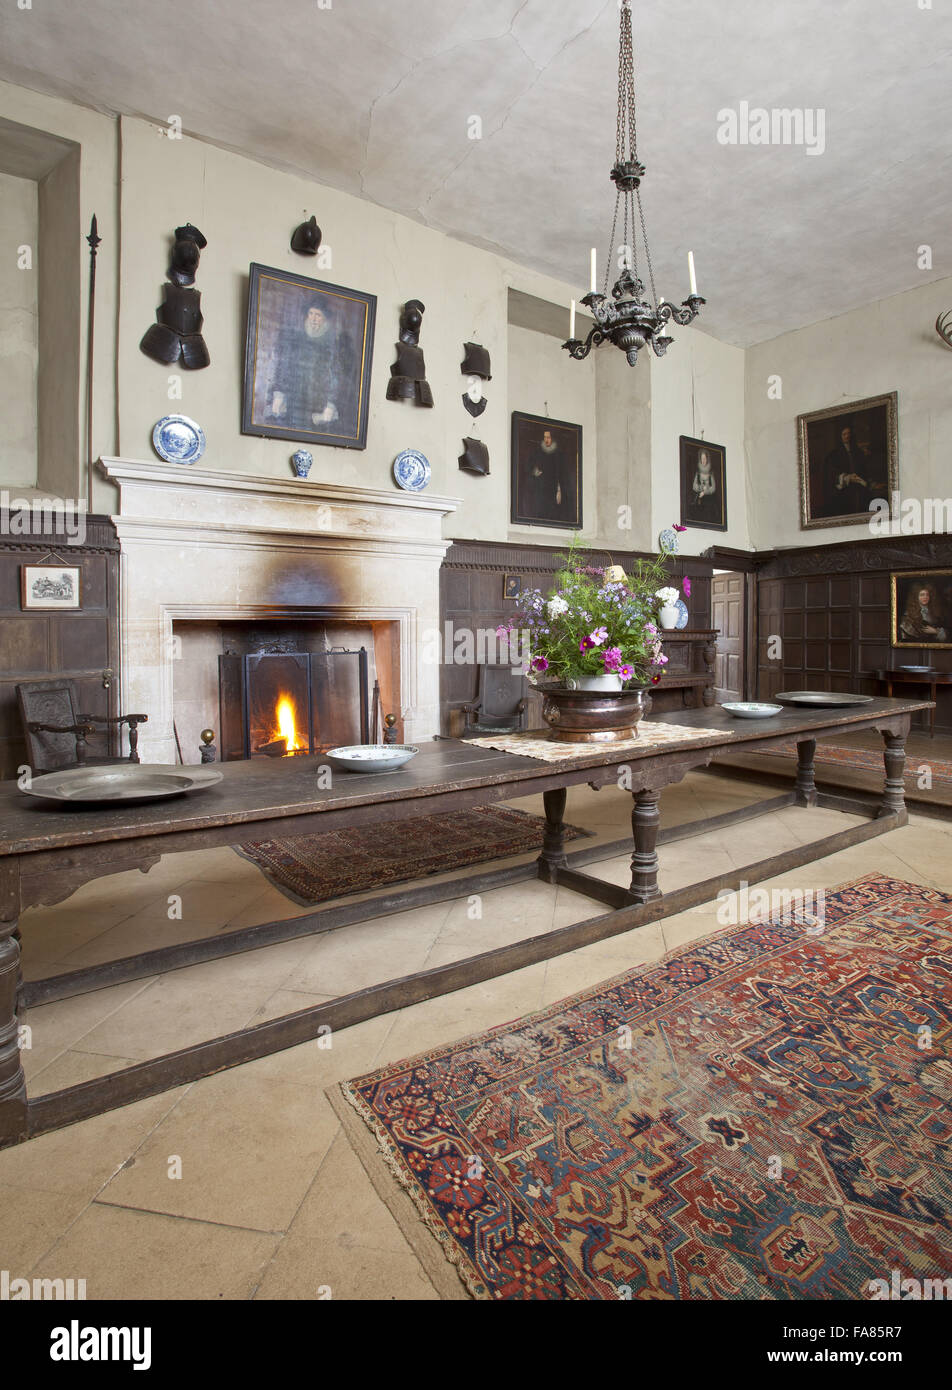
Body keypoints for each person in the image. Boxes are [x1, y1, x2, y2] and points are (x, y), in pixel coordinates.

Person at [265, 296, 357, 436]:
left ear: (324, 319)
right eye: (311, 314)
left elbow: (336, 375)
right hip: (293, 400)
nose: (314, 319)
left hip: (317, 404)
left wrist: (331, 405)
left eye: (318, 315)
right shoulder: (296, 339)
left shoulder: (332, 344)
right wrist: (279, 394)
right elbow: (284, 368)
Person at [524, 428, 572, 523]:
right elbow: (528, 467)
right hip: (540, 489)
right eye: (545, 437)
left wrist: (559, 490)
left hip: (554, 489)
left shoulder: (559, 454)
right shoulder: (537, 452)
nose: (546, 440)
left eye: (548, 437)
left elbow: (563, 475)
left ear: (553, 438)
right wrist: (534, 471)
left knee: (554, 512)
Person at [689, 448, 721, 526]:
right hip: (699, 499)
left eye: (704, 458)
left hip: (710, 500)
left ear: (707, 459)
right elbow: (694, 486)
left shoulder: (711, 473)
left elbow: (713, 488)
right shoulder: (698, 473)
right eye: (702, 458)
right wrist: (700, 489)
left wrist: (705, 492)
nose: (703, 460)